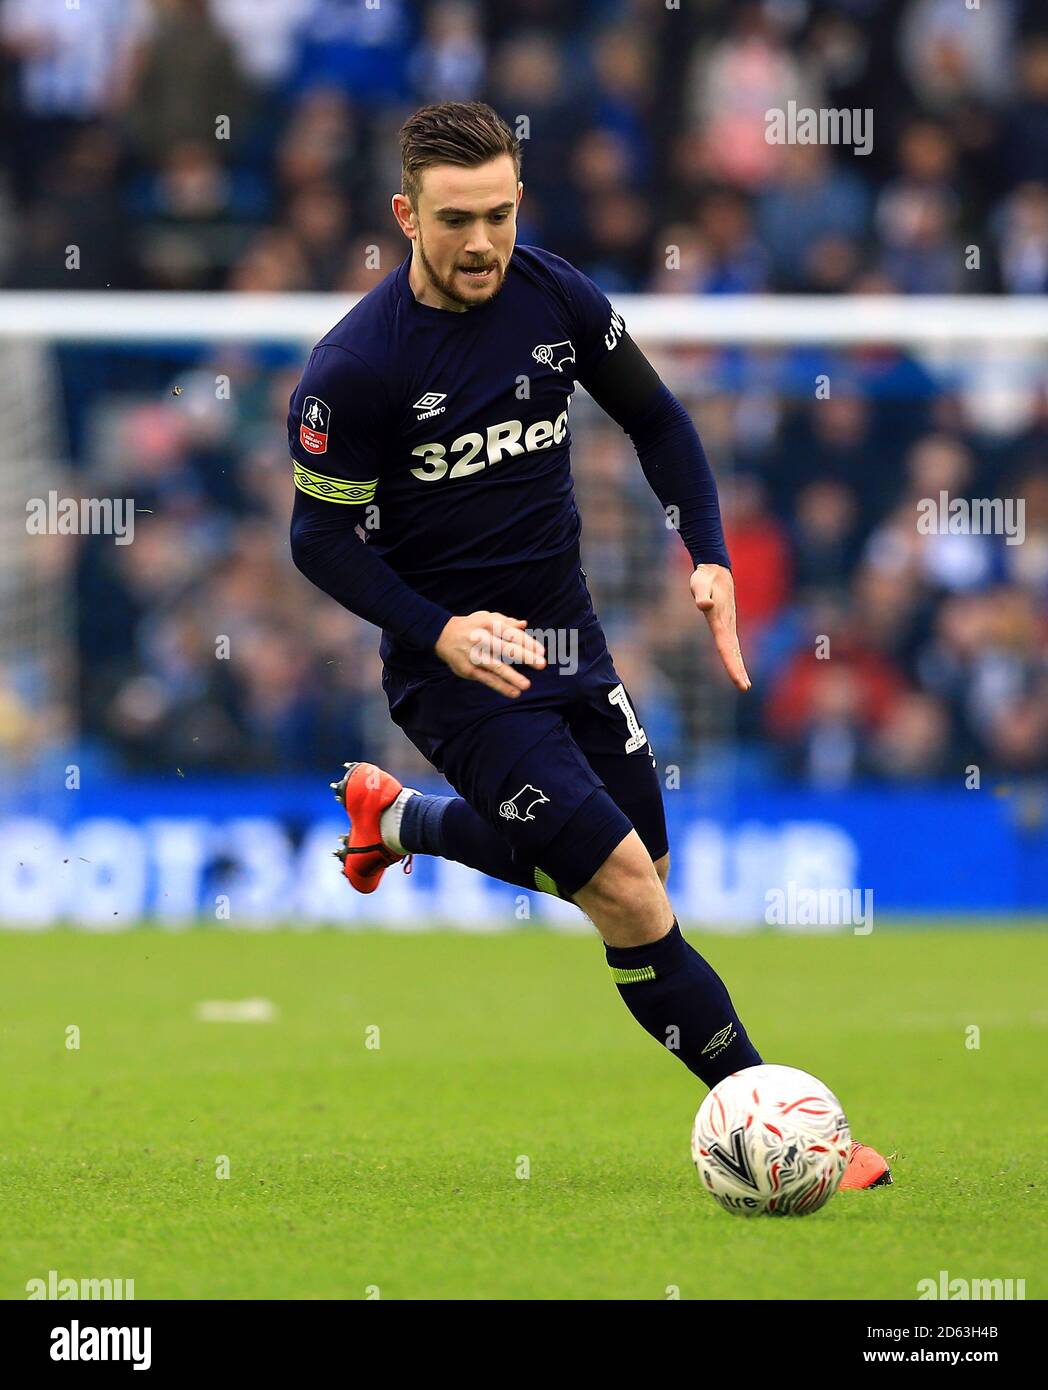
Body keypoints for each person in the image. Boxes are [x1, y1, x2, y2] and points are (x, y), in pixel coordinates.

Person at [288, 101, 889, 1192]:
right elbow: (316, 540)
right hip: (454, 675)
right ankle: (776, 1124)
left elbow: (659, 422)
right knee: (625, 889)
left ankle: (400, 819)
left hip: (573, 646)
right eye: (457, 219)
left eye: (501, 214)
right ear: (404, 213)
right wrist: (438, 629)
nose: (482, 242)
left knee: (639, 870)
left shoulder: (555, 296)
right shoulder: (356, 368)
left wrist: (705, 554)